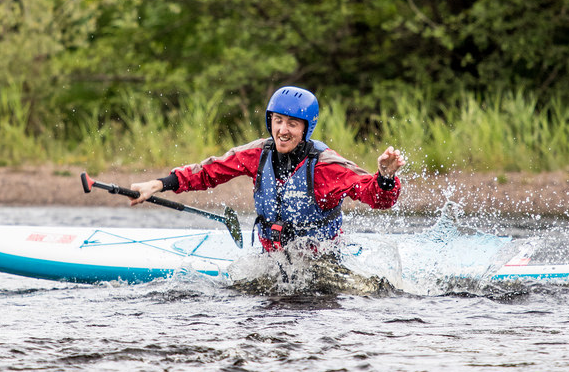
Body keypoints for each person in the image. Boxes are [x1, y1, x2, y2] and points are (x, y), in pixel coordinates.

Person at [130, 86, 406, 251]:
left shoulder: (326, 166)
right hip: (270, 261)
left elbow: (377, 198)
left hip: (320, 265)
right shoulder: (257, 154)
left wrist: (385, 177)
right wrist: (157, 184)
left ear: (306, 128)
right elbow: (208, 171)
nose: (282, 130)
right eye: (277, 121)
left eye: (292, 124)